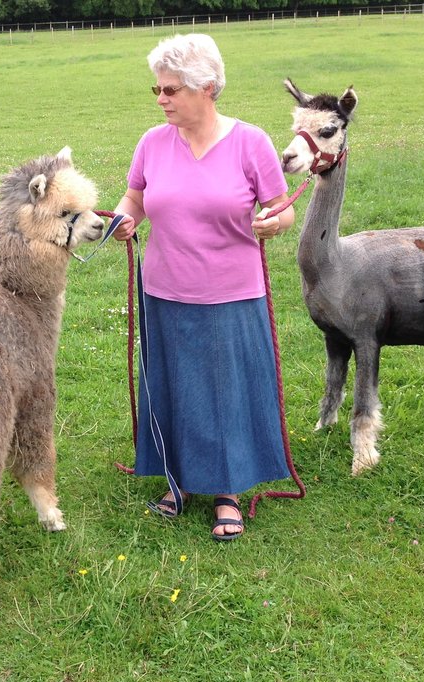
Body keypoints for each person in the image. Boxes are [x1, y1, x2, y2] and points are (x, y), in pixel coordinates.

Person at [112, 33, 295, 541]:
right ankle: (177, 481)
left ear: (207, 88)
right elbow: (135, 199)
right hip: (164, 289)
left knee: (223, 393)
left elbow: (283, 209)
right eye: (157, 90)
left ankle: (226, 491)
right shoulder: (152, 142)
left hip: (231, 293)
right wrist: (124, 220)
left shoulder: (250, 142)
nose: (161, 99)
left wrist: (272, 222)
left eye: (171, 89)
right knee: (172, 387)